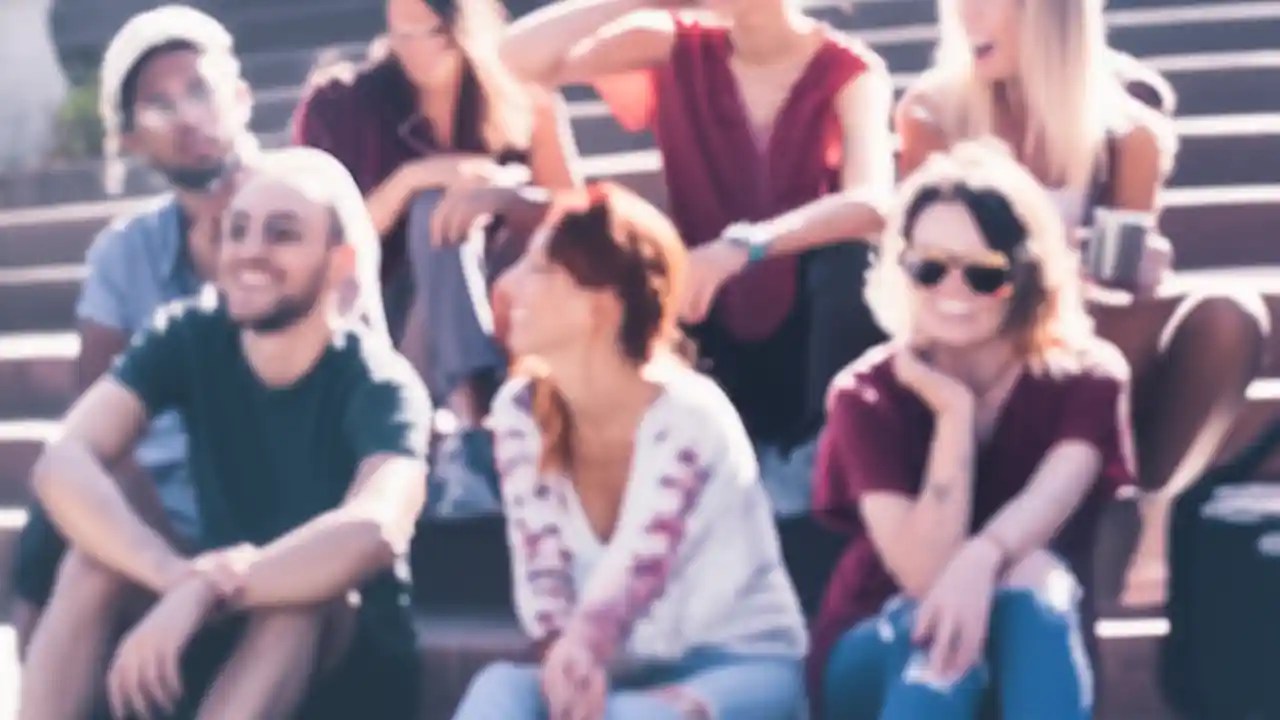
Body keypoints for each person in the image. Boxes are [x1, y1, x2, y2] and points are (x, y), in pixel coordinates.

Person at [19, 148, 430, 720]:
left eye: (282, 233)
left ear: (339, 261)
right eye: (238, 231)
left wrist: (213, 586)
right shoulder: (190, 335)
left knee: (297, 606)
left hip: (349, 669)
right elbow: (63, 462)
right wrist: (173, 576)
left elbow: (375, 529)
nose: (250, 252)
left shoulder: (379, 382)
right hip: (228, 629)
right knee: (93, 563)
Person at [894, 0, 1269, 610]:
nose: (968, 19)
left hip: (1084, 347)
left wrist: (1137, 265)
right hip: (977, 339)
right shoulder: (933, 112)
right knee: (1075, 327)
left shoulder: (1127, 132)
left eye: (987, 5)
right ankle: (1094, 516)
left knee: (1228, 316)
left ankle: (1146, 507)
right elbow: (928, 262)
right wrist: (1056, 254)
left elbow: (1126, 277)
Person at [500, 0, 895, 527]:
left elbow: (872, 201)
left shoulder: (851, 70)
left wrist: (745, 247)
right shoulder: (669, 42)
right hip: (705, 321)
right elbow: (515, 58)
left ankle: (819, 458)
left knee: (852, 262)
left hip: (804, 336)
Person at [452, 185, 809, 720]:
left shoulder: (689, 415)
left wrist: (584, 651)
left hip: (735, 665)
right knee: (498, 693)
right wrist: (564, 663)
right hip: (603, 666)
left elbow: (642, 566)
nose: (508, 285)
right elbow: (542, 576)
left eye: (540, 269)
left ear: (602, 305)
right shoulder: (518, 413)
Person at [812, 141, 1135, 719]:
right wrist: (953, 415)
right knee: (944, 654)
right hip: (876, 645)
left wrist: (983, 559)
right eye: (929, 268)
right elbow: (926, 575)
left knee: (1034, 583)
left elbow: (1048, 503)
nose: (951, 292)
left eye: (983, 274)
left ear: (1030, 274)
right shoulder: (865, 395)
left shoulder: (1089, 379)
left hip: (1029, 638)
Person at [9, 4, 254, 657]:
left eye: (199, 90)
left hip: (267, 486)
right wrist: (149, 539)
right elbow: (92, 424)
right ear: (130, 139)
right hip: (152, 507)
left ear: (239, 96)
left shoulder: (305, 207)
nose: (187, 116)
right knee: (68, 517)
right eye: (158, 106)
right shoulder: (123, 252)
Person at [293, 0, 581, 435]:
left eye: (435, 35)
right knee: (434, 210)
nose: (418, 51)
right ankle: (475, 405)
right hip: (393, 312)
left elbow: (576, 219)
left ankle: (472, 415)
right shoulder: (344, 104)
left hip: (513, 293)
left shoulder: (521, 96)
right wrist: (413, 179)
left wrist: (504, 197)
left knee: (454, 215)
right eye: (403, 35)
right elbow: (324, 246)